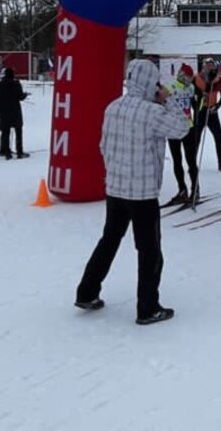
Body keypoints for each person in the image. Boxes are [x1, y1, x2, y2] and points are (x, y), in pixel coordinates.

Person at [75, 59, 190, 324]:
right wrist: (168, 99)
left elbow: (103, 145)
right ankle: (148, 307)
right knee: (149, 250)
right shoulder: (152, 112)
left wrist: (115, 171)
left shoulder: (113, 107)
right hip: (143, 193)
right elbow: (182, 128)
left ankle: (87, 291)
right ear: (151, 83)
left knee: (109, 240)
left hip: (115, 190)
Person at [165, 64, 199, 203]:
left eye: (190, 78)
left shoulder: (191, 88)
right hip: (173, 129)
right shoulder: (170, 87)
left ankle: (195, 190)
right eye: (187, 77)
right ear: (181, 75)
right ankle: (182, 189)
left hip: (187, 128)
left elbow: (195, 105)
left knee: (191, 161)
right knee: (177, 160)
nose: (189, 81)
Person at [193, 58, 221, 174]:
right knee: (196, 139)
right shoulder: (196, 78)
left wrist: (217, 106)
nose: (209, 67)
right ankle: (192, 163)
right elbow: (190, 95)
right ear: (203, 66)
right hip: (200, 112)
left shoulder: (217, 79)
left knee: (218, 137)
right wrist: (198, 99)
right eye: (206, 65)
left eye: (211, 65)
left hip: (212, 111)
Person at [0, 67, 28, 159]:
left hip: (4, 111)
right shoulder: (16, 83)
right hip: (15, 111)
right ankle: (19, 152)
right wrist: (24, 95)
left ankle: (7, 152)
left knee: (5, 132)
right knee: (18, 131)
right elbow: (20, 96)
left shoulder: (1, 84)